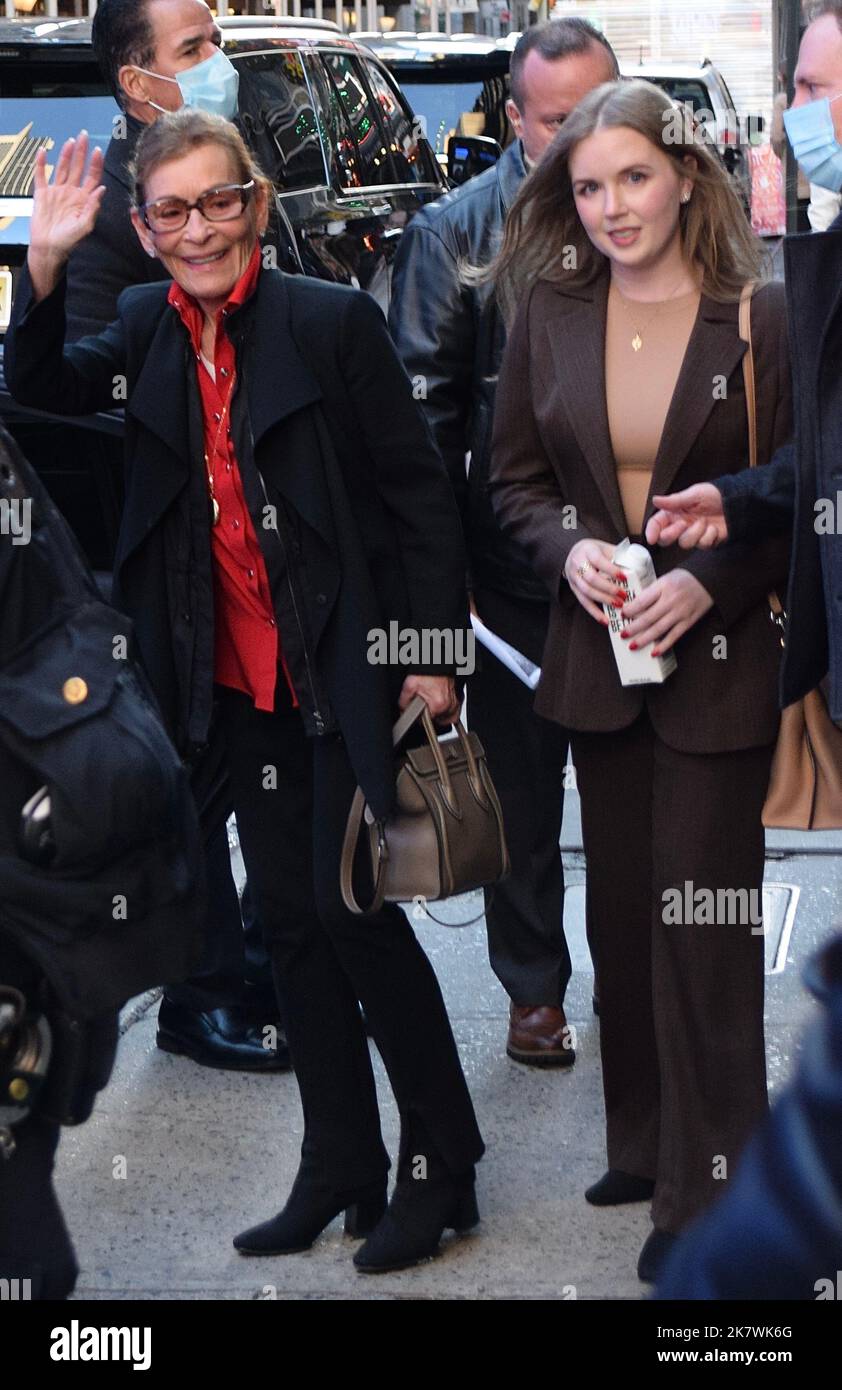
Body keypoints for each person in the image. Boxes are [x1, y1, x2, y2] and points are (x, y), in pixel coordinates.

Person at [6, 110, 484, 1273]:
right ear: (146, 227)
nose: (199, 227)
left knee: (353, 916)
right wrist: (44, 273)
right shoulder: (140, 327)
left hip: (343, 669)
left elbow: (417, 494)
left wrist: (432, 651)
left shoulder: (330, 326)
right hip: (231, 685)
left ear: (255, 207)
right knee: (286, 923)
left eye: (219, 201)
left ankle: (441, 1164)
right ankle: (337, 1165)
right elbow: (48, 423)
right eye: (171, 210)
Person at [486, 78, 793, 1283]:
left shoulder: (754, 314)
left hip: (715, 666)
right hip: (594, 666)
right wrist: (572, 557)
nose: (611, 206)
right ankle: (645, 1138)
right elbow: (508, 483)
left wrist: (705, 587)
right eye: (587, 186)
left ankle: (711, 1184)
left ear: (682, 177)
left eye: (631, 178)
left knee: (701, 928)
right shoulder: (548, 314)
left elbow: (791, 493)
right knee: (619, 917)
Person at [389, 18, 619, 1068]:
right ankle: (533, 992)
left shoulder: (661, 217)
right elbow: (419, 445)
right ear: (515, 121)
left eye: (602, 112)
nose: (584, 145)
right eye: (559, 121)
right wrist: (429, 630)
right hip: (512, 579)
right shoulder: (460, 234)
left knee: (636, 801)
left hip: (641, 567)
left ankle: (639, 976)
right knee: (522, 796)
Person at [72, 0, 288, 1074]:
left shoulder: (234, 170)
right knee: (195, 779)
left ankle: (253, 962)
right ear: (135, 79)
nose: (217, 63)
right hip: (161, 560)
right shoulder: (117, 214)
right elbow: (76, 391)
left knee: (267, 766)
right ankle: (202, 994)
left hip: (259, 553)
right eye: (192, 49)